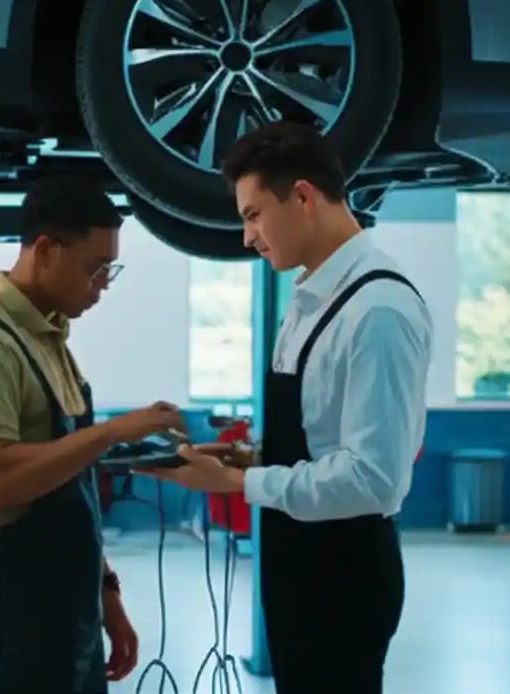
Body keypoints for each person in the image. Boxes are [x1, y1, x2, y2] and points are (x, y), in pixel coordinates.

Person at [139, 121, 433, 694]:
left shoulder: (378, 311)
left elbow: (374, 480)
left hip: (343, 574)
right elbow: (322, 443)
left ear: (302, 197)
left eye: (252, 215)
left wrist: (236, 484)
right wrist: (249, 459)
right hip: (298, 560)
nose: (247, 236)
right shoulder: (307, 300)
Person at [0, 175, 188, 694]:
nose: (103, 285)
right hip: (19, 610)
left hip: (69, 602)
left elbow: (70, 483)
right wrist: (112, 432)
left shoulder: (48, 339)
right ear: (45, 250)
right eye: (95, 269)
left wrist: (106, 593)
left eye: (109, 270)